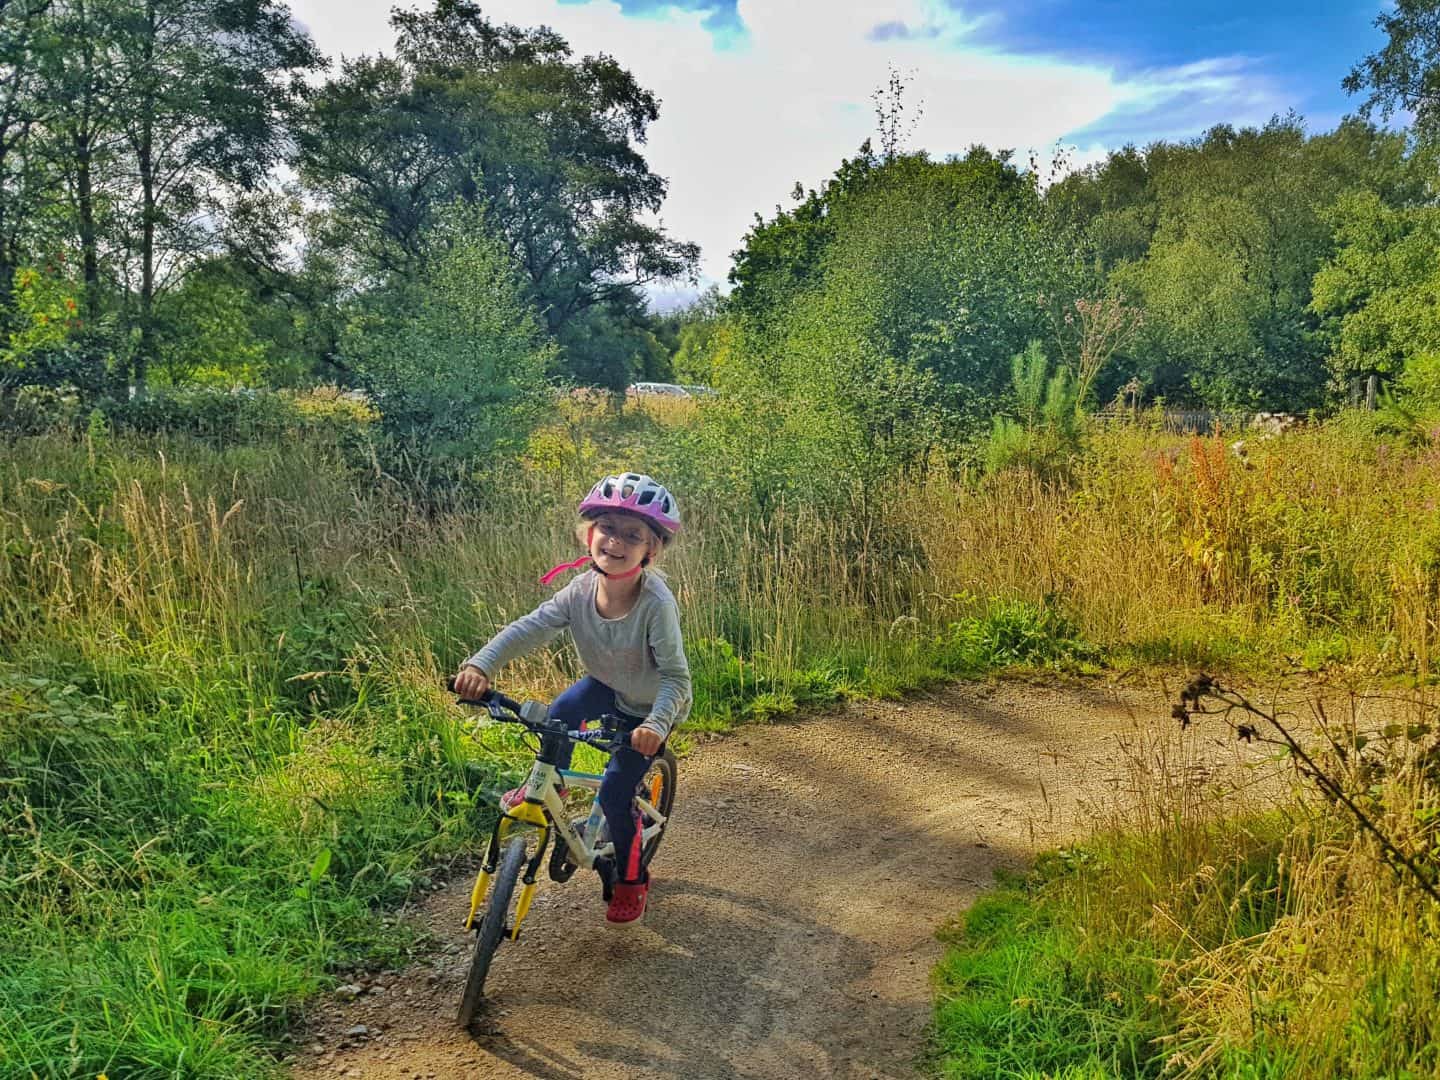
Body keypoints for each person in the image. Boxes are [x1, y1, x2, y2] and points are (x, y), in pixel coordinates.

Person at [453, 472, 690, 925]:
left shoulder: (655, 603)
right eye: (607, 527)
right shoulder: (579, 590)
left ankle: (633, 877)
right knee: (559, 714)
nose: (616, 541)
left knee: (619, 793)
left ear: (651, 550)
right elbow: (529, 627)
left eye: (633, 534)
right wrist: (480, 665)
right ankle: (551, 784)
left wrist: (656, 725)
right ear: (588, 534)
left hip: (649, 705)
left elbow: (676, 678)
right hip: (605, 684)